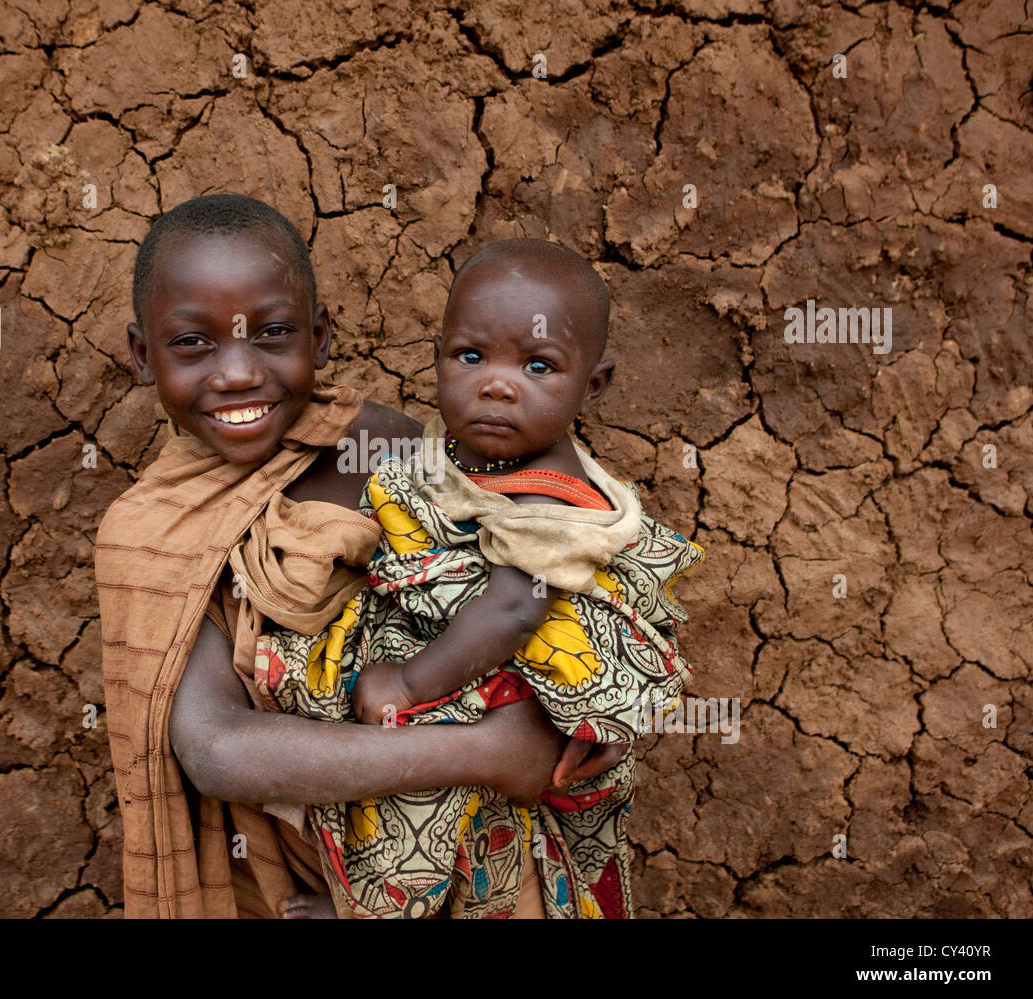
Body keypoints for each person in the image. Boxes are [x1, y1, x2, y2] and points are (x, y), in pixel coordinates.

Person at [95, 196, 623, 918]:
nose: (239, 373)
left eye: (273, 333)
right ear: (140, 354)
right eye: (193, 344)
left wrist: (589, 713)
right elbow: (215, 748)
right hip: (294, 881)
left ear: (321, 335)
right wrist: (488, 753)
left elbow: (541, 592)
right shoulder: (155, 533)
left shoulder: (391, 449)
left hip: (484, 854)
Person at [248, 239, 705, 917]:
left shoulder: (551, 499)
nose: (497, 383)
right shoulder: (463, 453)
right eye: (471, 356)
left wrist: (406, 683)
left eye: (538, 365)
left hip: (510, 692)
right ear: (437, 355)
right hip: (471, 670)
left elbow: (515, 608)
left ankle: (372, 911)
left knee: (417, 792)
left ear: (594, 385)